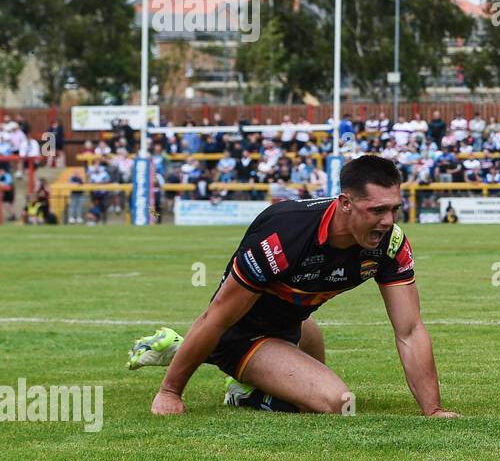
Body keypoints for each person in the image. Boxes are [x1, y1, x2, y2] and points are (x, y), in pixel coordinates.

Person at [127, 155, 457, 418]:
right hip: (239, 333)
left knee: (308, 338)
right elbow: (217, 317)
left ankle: (185, 349)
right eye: (377, 210)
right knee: (336, 402)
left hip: (293, 321)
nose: (387, 221)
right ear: (345, 204)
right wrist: (170, 393)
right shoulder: (286, 235)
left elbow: (410, 329)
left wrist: (434, 410)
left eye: (394, 209)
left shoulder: (390, 244)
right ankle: (244, 391)